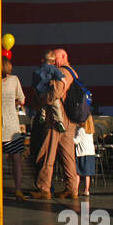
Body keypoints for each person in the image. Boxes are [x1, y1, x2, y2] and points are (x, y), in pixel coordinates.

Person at [31, 49, 81, 200]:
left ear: (64, 57)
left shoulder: (63, 72)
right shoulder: (73, 72)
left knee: (47, 152)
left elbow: (56, 93)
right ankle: (72, 189)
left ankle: (44, 188)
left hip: (57, 119)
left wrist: (42, 99)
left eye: (56, 58)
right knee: (68, 155)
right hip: (70, 121)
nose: (53, 62)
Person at [1, 57, 30, 199]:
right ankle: (18, 189)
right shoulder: (14, 80)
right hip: (12, 126)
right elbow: (22, 100)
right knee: (16, 160)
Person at [31, 50, 67, 133]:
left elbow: (34, 83)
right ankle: (59, 122)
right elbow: (59, 75)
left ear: (43, 59)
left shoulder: (37, 70)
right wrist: (64, 81)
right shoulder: (52, 68)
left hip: (40, 92)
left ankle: (43, 115)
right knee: (56, 105)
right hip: (49, 92)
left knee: (43, 104)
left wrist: (36, 92)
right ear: (53, 62)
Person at [74, 114, 96, 197]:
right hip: (90, 153)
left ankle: (75, 190)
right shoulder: (91, 131)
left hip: (81, 153)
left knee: (77, 173)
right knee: (87, 174)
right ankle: (87, 190)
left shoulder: (81, 130)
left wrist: (69, 137)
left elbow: (76, 141)